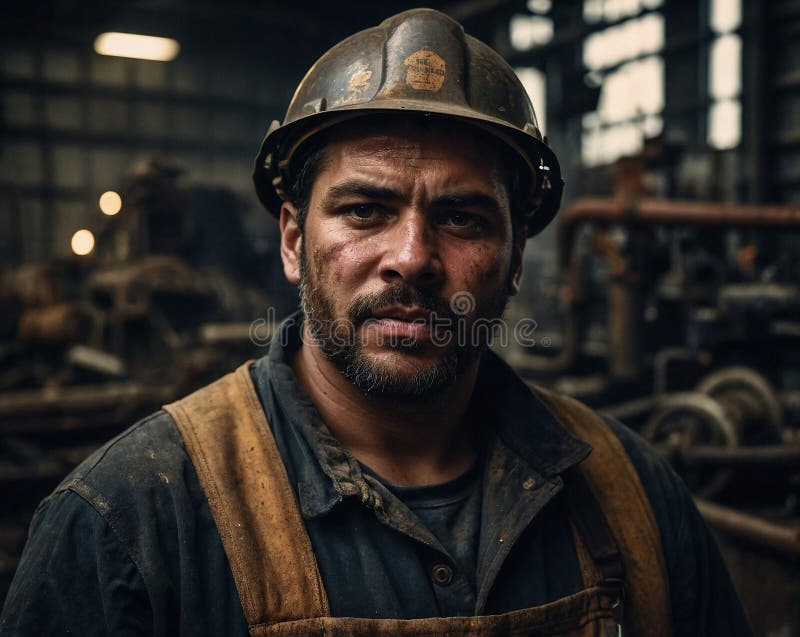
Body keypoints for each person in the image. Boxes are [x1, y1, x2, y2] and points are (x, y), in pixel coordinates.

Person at [1, 8, 749, 636]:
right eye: (366, 210)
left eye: (462, 217)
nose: (413, 257)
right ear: (294, 240)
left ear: (516, 257)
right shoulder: (128, 527)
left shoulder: (637, 502)